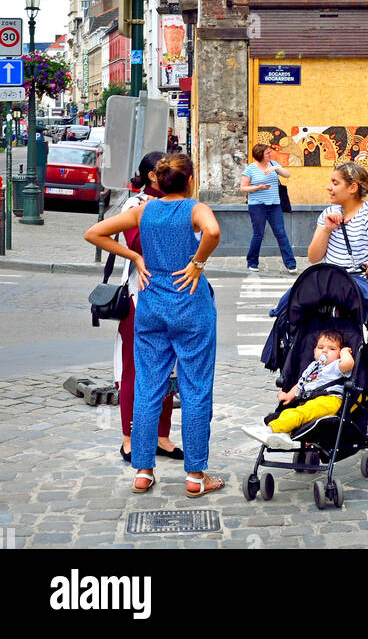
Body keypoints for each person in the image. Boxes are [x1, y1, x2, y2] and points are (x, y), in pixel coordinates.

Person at [84, 153, 223, 497]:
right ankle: (195, 476)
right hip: (191, 306)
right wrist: (197, 263)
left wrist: (134, 257)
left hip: (151, 305)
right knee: (195, 388)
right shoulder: (194, 208)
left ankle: (143, 471)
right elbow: (213, 231)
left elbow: (94, 232)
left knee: (148, 386)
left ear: (159, 182)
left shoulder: (144, 210)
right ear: (190, 180)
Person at [308, 161, 368, 456]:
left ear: (353, 187)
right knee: (334, 362)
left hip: (366, 303)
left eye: (335, 182)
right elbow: (314, 257)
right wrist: (327, 228)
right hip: (336, 301)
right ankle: (332, 422)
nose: (329, 187)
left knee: (360, 364)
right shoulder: (328, 214)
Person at [115, 151, 181, 464]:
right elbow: (138, 245)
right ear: (153, 176)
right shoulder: (135, 205)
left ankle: (161, 436)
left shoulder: (178, 203)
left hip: (173, 297)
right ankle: (129, 437)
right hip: (139, 297)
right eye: (165, 170)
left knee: (168, 370)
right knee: (135, 368)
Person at [261, 329, 355, 450]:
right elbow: (301, 384)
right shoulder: (312, 367)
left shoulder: (335, 366)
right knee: (290, 413)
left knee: (300, 414)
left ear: (338, 354)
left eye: (332, 349)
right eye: (321, 347)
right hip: (312, 401)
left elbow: (348, 363)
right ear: (315, 351)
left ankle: (271, 430)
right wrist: (289, 395)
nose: (325, 351)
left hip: (330, 400)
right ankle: (284, 434)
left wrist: (344, 351)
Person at [240, 143, 299, 273]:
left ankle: (291, 264)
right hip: (257, 206)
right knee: (258, 234)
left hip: (274, 205)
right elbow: (243, 187)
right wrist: (258, 187)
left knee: (281, 233)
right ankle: (252, 262)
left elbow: (287, 174)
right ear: (260, 154)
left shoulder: (273, 164)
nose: (270, 154)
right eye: (267, 153)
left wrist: (276, 168)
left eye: (270, 152)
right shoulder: (251, 169)